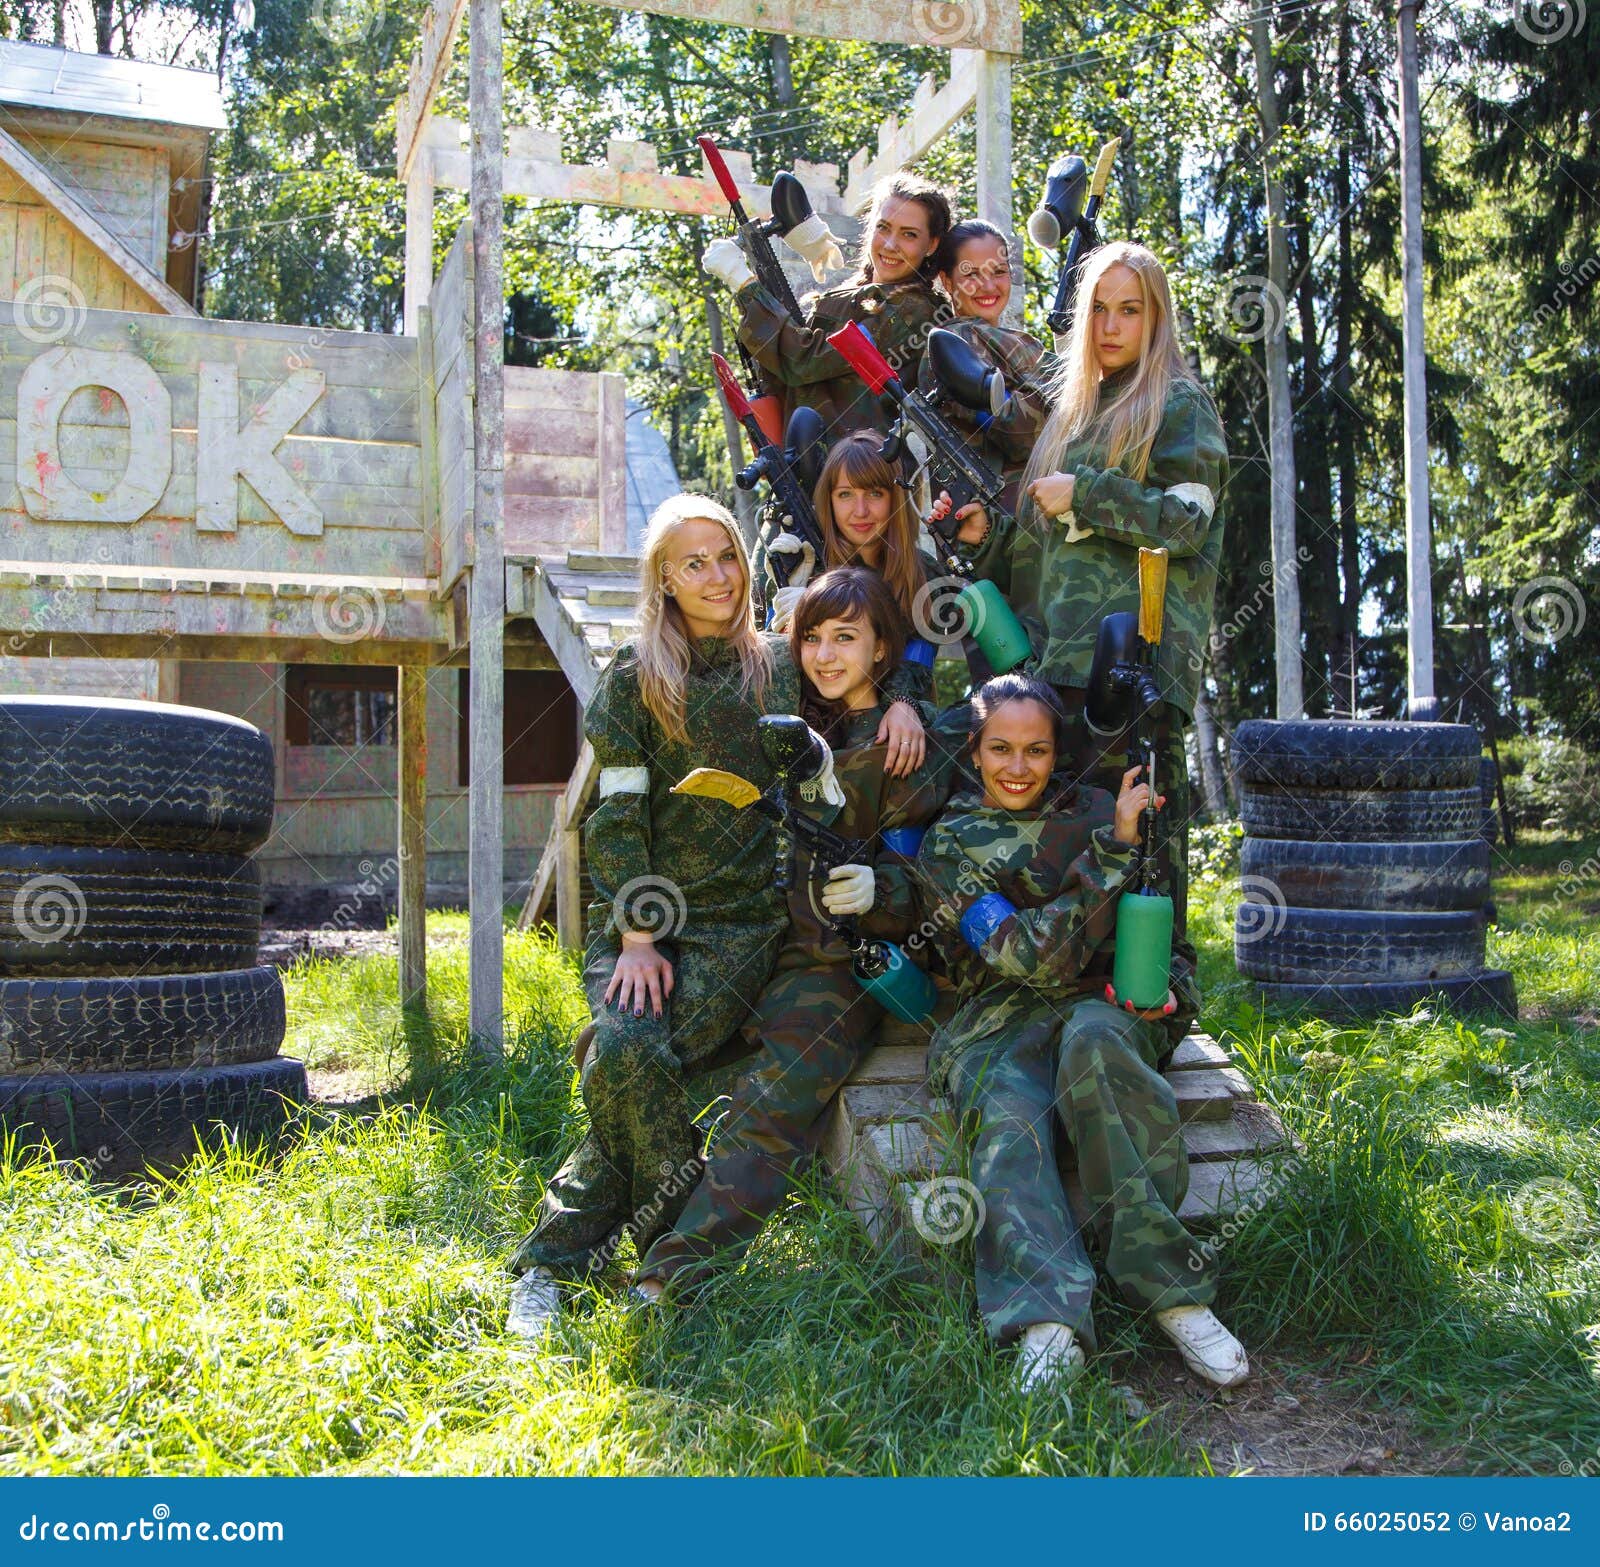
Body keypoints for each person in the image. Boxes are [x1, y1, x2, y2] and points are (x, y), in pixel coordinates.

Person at [507, 494, 832, 1337]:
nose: (718, 576)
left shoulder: (778, 668)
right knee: (623, 1050)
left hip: (737, 927)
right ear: (664, 579)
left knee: (621, 1064)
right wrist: (641, 936)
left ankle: (548, 1264)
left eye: (726, 556)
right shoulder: (635, 680)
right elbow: (615, 819)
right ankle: (667, 1249)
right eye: (695, 563)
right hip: (640, 922)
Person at [911, 673, 1248, 1391]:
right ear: (973, 751)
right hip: (997, 1022)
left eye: (1036, 749)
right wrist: (1112, 853)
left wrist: (1165, 998)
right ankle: (1046, 1318)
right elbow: (1024, 956)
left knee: (1094, 1045)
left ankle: (1172, 1290)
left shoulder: (1107, 808)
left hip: (1100, 1007)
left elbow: (1173, 947)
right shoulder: (949, 844)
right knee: (1006, 1111)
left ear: (1057, 751)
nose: (1017, 766)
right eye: (999, 747)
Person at [632, 568, 954, 1300]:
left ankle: (670, 1274)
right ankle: (620, 1221)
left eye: (847, 637)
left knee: (774, 1098)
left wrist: (886, 891)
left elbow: (951, 874)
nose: (826, 654)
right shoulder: (786, 720)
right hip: (751, 945)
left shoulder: (903, 747)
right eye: (812, 637)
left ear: (882, 652)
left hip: (835, 964)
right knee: (630, 1044)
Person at [960, 241, 1229, 995]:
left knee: (1147, 848)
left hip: (1131, 667)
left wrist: (1086, 493)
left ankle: (1159, 1006)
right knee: (1077, 850)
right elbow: (1033, 558)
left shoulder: (1178, 404)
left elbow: (1186, 524)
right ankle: (1077, 999)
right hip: (1055, 675)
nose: (1111, 325)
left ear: (1156, 318)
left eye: (1130, 309)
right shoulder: (1071, 416)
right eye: (1098, 309)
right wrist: (988, 538)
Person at [703, 172, 953, 443]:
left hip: (859, 470)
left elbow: (806, 361)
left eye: (909, 234)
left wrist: (745, 285)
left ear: (932, 245)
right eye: (883, 227)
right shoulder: (862, 292)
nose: (890, 244)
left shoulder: (912, 312)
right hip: (821, 464)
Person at [762, 430, 991, 690]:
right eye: (845, 494)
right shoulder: (805, 565)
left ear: (895, 499)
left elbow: (925, 662)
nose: (860, 511)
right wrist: (791, 619)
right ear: (829, 500)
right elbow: (771, 670)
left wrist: (980, 542)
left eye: (874, 494)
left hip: (904, 722)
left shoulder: (922, 570)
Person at [918, 218, 1053, 519]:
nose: (988, 286)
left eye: (999, 272)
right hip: (998, 530)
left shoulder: (996, 340)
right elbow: (1024, 434)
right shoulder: (956, 342)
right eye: (971, 275)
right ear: (948, 281)